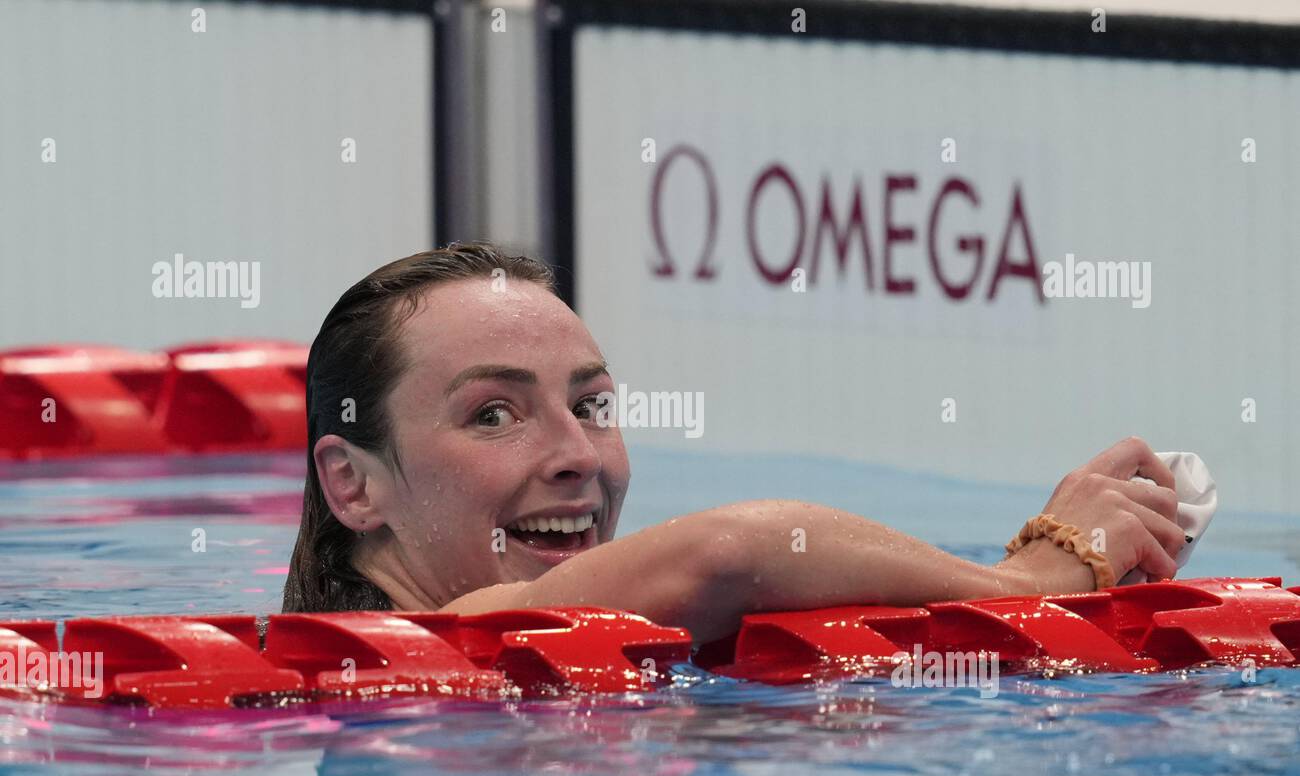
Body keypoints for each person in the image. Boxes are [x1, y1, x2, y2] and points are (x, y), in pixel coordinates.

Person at [283, 243, 1185, 643]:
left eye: (592, 406)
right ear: (353, 484)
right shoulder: (450, 634)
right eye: (492, 414)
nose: (579, 457)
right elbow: (732, 551)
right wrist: (1030, 583)